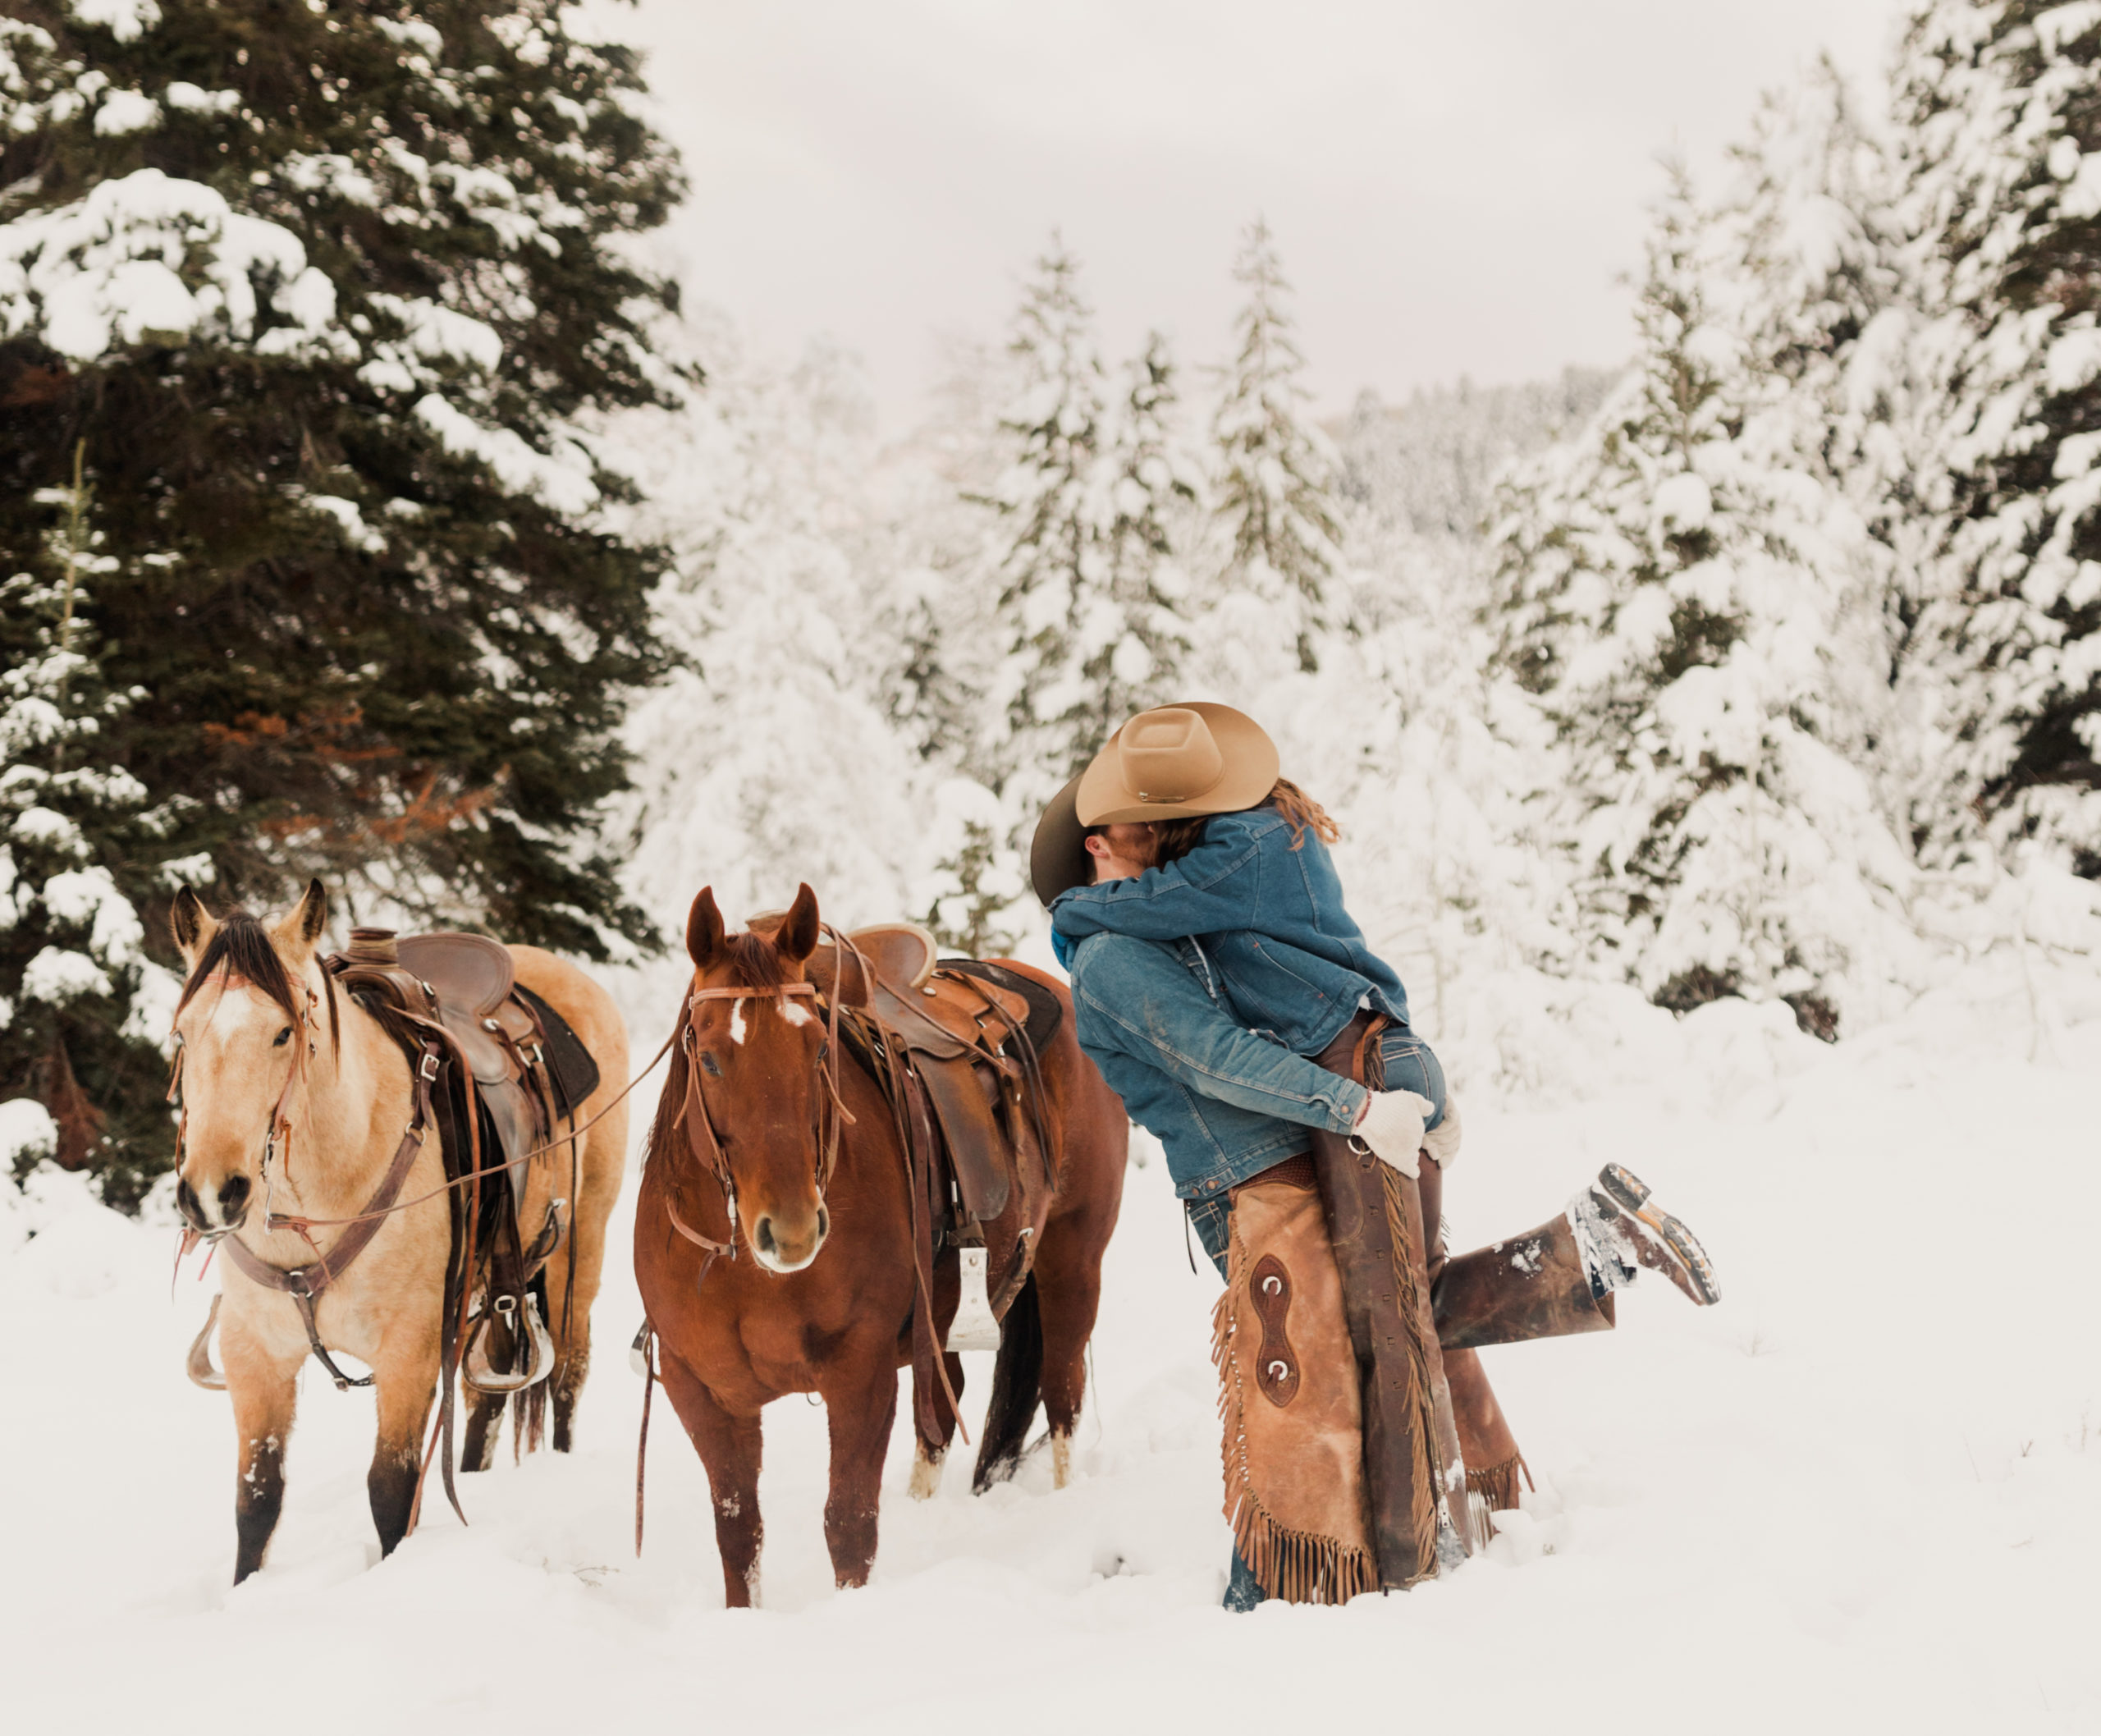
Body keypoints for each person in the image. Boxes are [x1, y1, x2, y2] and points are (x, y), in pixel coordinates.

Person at [1031, 703, 1718, 1608]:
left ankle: (1282, 1589)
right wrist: (1385, 1090)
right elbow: (1228, 1041)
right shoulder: (1121, 954)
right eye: (1105, 838)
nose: (1124, 844)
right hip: (1338, 1116)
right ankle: (1591, 1253)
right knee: (1401, 1314)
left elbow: (1223, 1055)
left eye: (1124, 829)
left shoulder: (1149, 933)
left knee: (1309, 1380)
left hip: (1291, 1160)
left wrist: (1355, 1104)